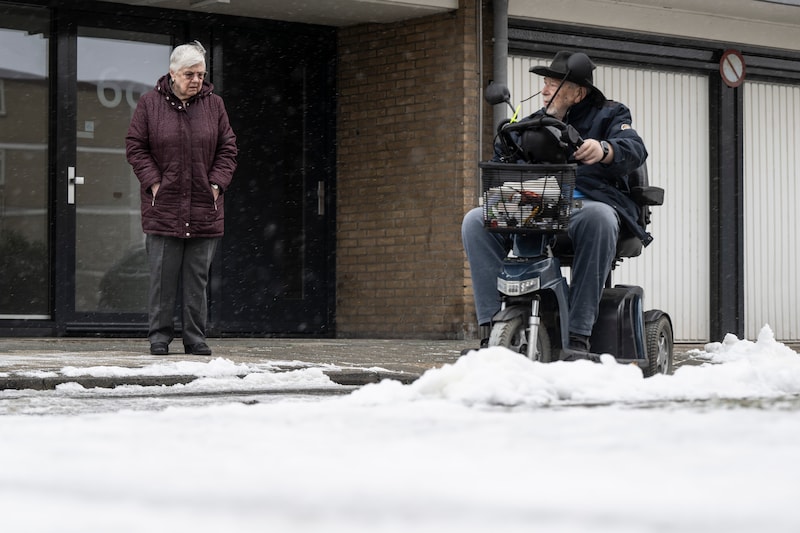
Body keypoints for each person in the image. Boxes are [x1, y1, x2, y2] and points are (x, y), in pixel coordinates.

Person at [462, 50, 648, 359]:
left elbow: (634, 149)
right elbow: (504, 168)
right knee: (474, 220)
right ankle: (490, 327)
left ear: (577, 93)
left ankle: (578, 336)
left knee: (600, 217)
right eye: (545, 83)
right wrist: (507, 148)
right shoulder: (530, 125)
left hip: (585, 205)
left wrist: (604, 150)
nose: (545, 90)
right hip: (536, 206)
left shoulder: (610, 115)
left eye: (552, 84)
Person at [126, 41, 238, 356]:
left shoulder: (215, 106)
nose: (196, 80)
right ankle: (159, 337)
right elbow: (136, 146)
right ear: (173, 73)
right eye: (189, 74)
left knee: (196, 279)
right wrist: (154, 183)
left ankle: (195, 338)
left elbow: (228, 149)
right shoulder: (149, 104)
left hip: (205, 205)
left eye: (200, 74)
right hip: (164, 206)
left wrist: (216, 184)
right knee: (162, 277)